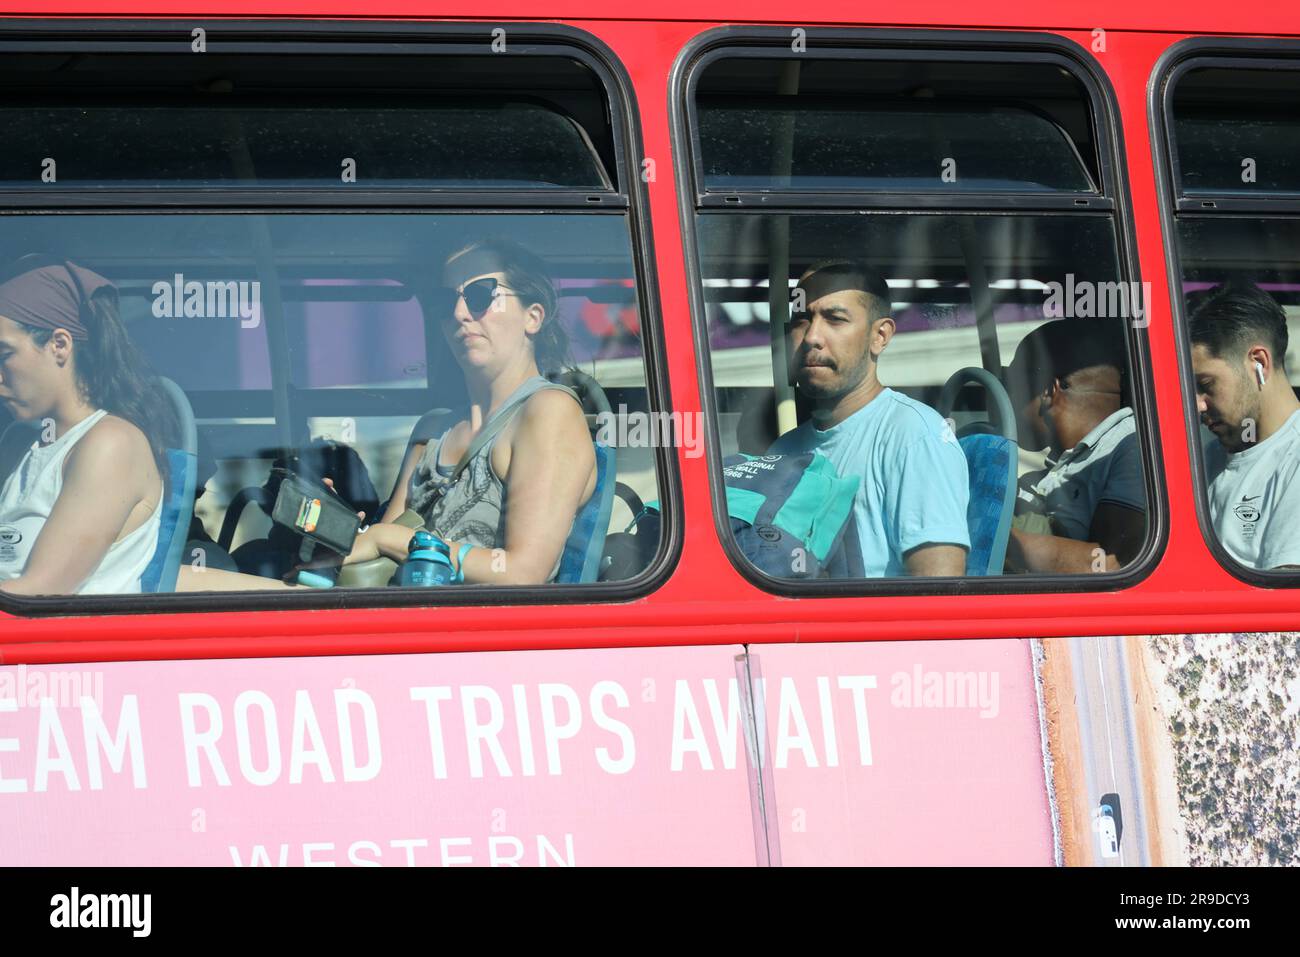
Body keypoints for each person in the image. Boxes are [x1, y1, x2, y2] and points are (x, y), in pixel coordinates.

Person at [178, 238, 596, 590]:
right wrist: (338, 527)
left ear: (533, 317)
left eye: (481, 294)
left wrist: (386, 538)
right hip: (386, 607)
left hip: (473, 642)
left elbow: (525, 572)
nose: (459, 313)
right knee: (185, 581)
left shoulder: (548, 412)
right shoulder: (433, 429)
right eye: (445, 299)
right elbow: (385, 548)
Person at [767, 259, 970, 577]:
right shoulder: (784, 449)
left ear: (880, 336)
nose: (811, 337)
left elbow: (937, 596)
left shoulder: (914, 435)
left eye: (835, 319)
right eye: (802, 319)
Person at [0, 255, 176, 595]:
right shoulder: (20, 443)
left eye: (4, 355)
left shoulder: (111, 443)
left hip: (63, 644)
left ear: (59, 345)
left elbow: (41, 593)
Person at [1002, 318, 1146, 573]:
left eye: (1014, 388)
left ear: (1048, 392)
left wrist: (998, 541)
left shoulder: (1129, 445)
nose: (1009, 403)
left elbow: (1113, 564)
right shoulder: (1057, 464)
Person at [1188, 282, 1300, 570]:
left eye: (1206, 385)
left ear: (1258, 363)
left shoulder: (1293, 460)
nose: (1198, 405)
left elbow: (1282, 602)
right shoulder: (1208, 457)